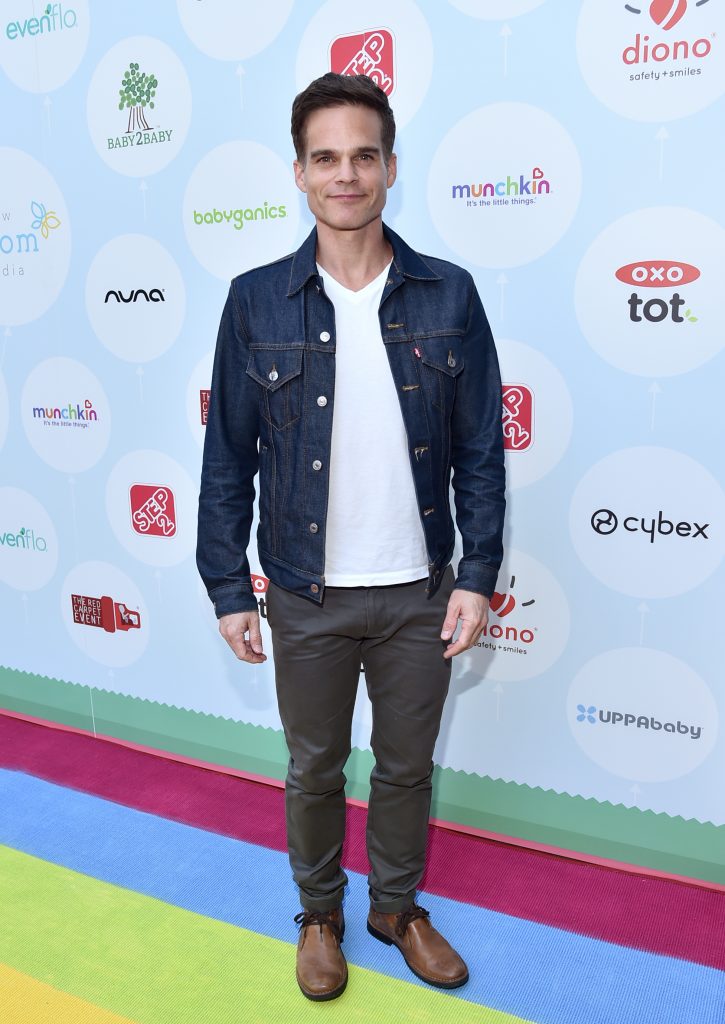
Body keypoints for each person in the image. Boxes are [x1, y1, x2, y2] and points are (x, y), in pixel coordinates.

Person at [197, 72, 505, 1002]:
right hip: (305, 591)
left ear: (389, 168)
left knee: (406, 768)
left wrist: (477, 574)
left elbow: (479, 450)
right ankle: (321, 915)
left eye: (362, 156)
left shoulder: (449, 295)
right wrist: (227, 586)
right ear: (298, 172)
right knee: (315, 768)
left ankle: (396, 909)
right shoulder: (256, 301)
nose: (345, 175)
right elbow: (227, 457)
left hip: (420, 591)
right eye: (324, 158)